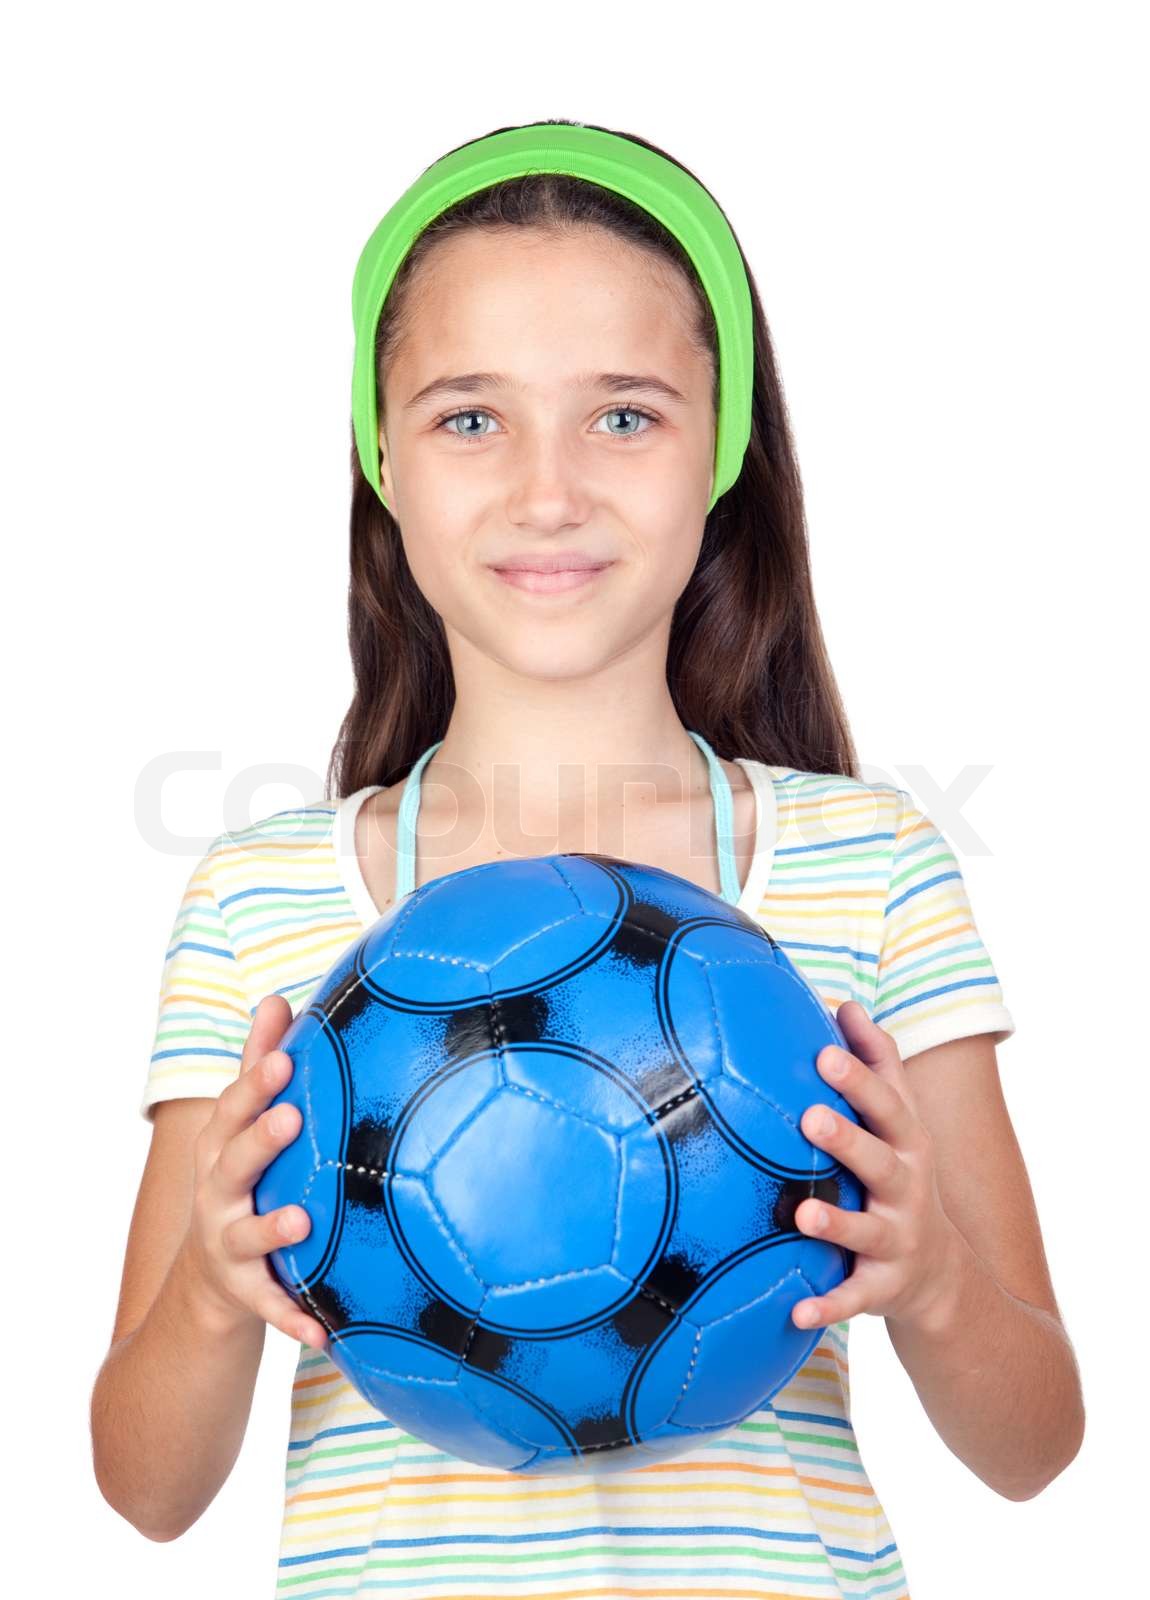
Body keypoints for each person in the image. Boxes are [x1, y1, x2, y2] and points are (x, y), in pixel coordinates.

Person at [90, 117, 1084, 1598]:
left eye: (622, 414)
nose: (546, 490)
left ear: (722, 443)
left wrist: (932, 1277)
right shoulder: (259, 902)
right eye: (468, 417)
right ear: (381, 453)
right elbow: (144, 1490)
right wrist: (215, 1287)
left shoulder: (865, 868)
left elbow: (1034, 1448)